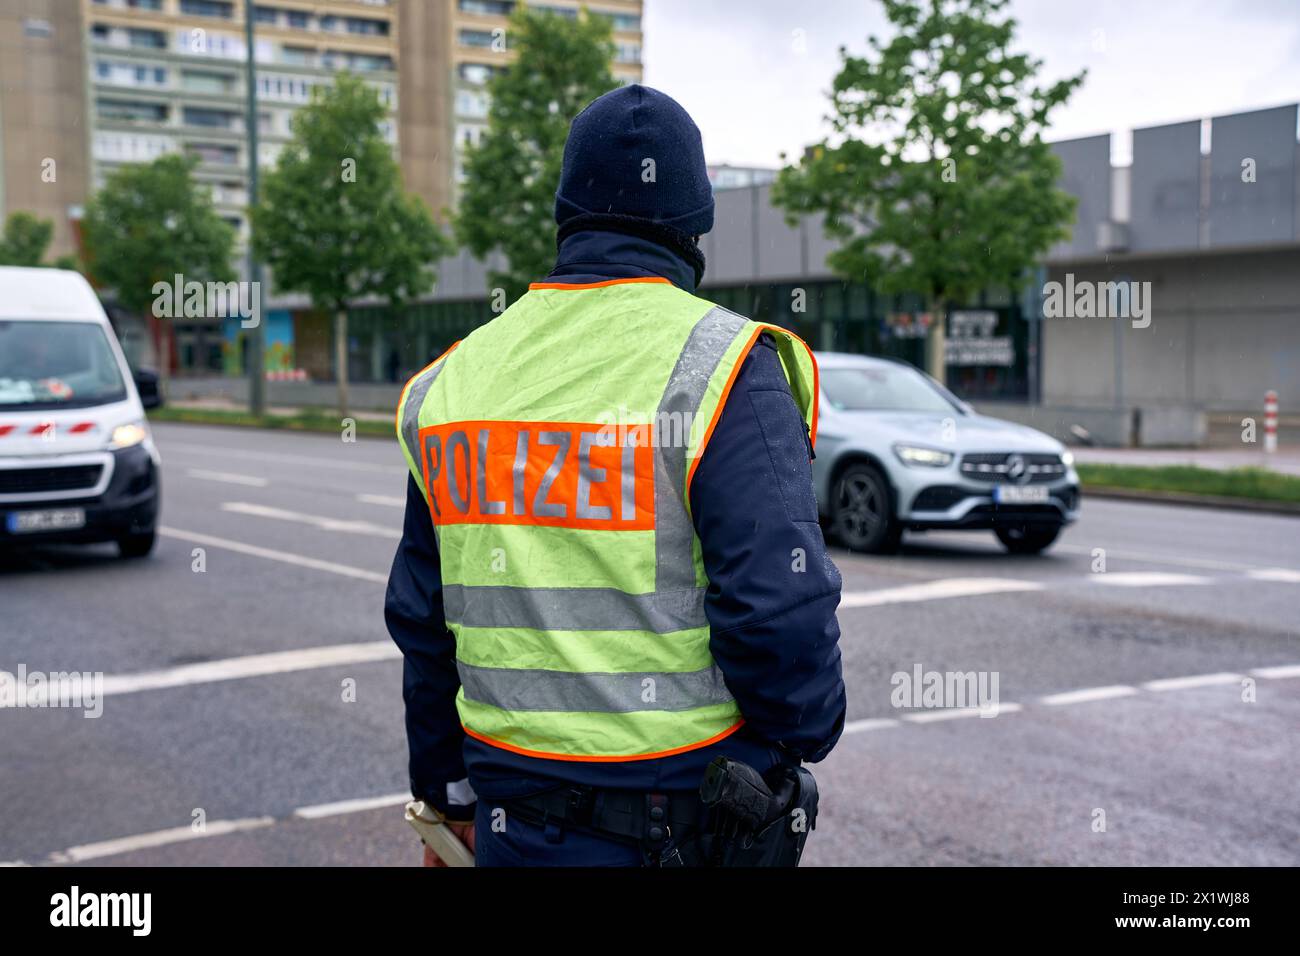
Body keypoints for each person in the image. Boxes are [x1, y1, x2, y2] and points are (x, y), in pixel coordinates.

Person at [386, 85, 845, 867]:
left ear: (566, 213)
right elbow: (777, 607)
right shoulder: (724, 365)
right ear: (696, 225)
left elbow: (424, 622)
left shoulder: (453, 383)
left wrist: (447, 798)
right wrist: (806, 729)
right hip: (681, 825)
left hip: (511, 823)